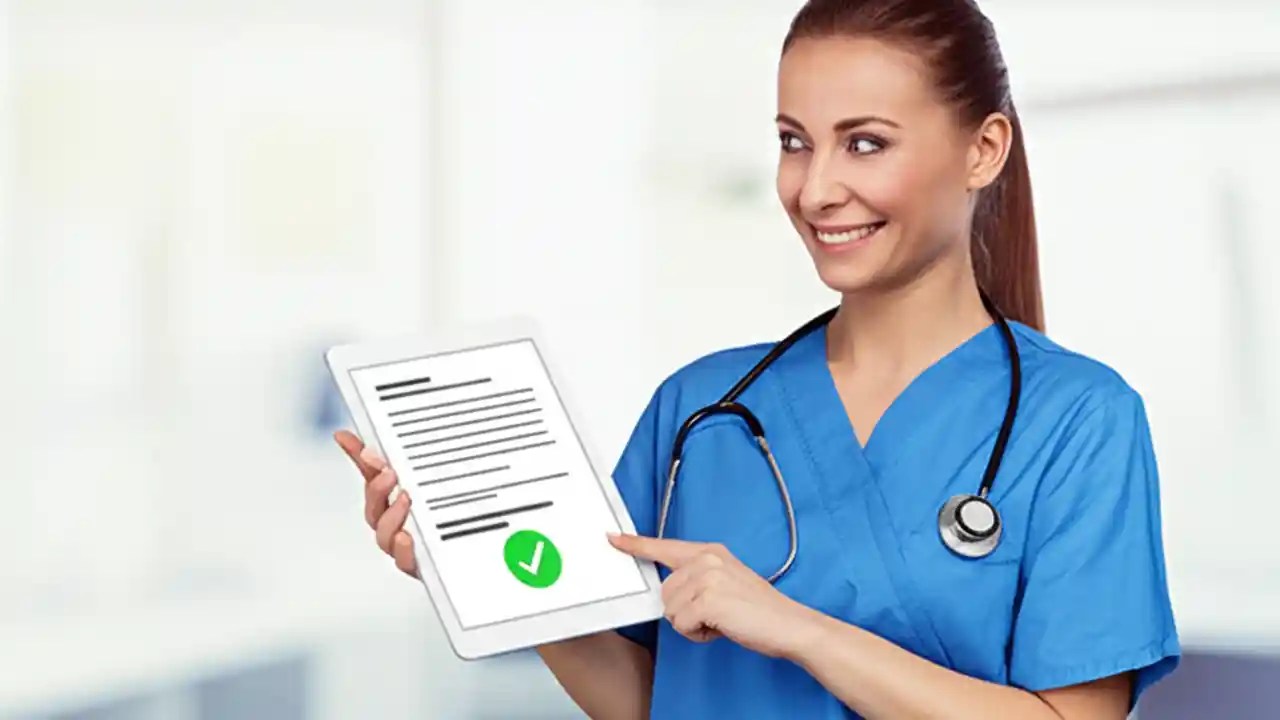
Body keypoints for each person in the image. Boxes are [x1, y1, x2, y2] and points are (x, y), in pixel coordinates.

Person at [335, 0, 1181, 717]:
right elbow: (646, 699)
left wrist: (798, 629)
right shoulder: (701, 410)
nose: (814, 190)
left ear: (983, 150)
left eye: (865, 143)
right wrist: (486, 574)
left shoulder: (1077, 421)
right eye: (792, 140)